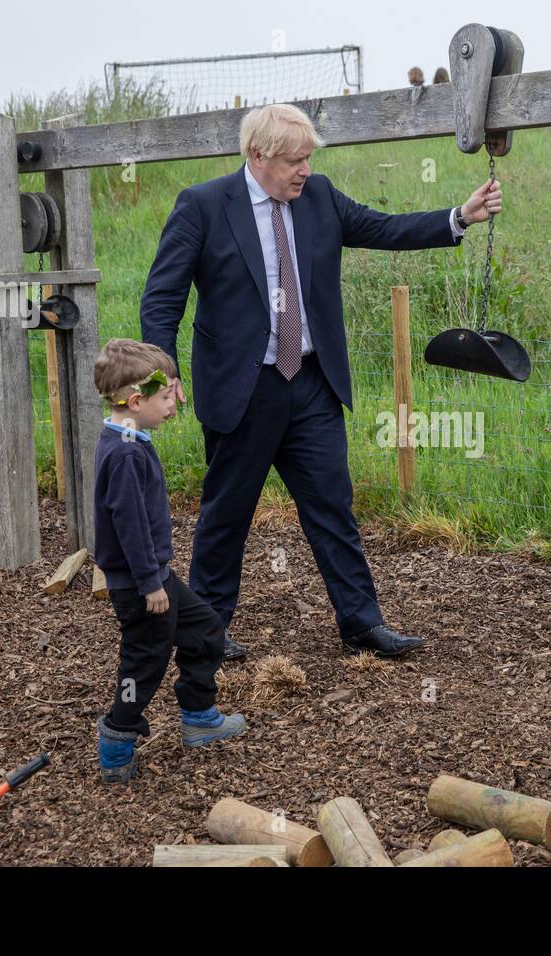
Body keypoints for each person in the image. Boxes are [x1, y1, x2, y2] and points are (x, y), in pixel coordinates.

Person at [140, 102, 502, 661]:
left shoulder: (321, 196)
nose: (304, 170)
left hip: (311, 384)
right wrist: (162, 372)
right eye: (294, 161)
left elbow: (384, 229)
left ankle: (361, 622)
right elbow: (162, 297)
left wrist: (458, 216)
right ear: (257, 156)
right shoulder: (205, 206)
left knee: (333, 507)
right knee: (226, 515)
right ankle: (206, 632)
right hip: (243, 390)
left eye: (309, 158)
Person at [92, 338, 246, 784]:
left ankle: (198, 716)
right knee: (142, 665)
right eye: (165, 397)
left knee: (205, 629)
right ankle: (117, 740)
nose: (174, 404)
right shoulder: (123, 453)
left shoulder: (126, 436)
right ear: (136, 400)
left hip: (154, 575)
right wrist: (149, 583)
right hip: (142, 584)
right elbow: (130, 525)